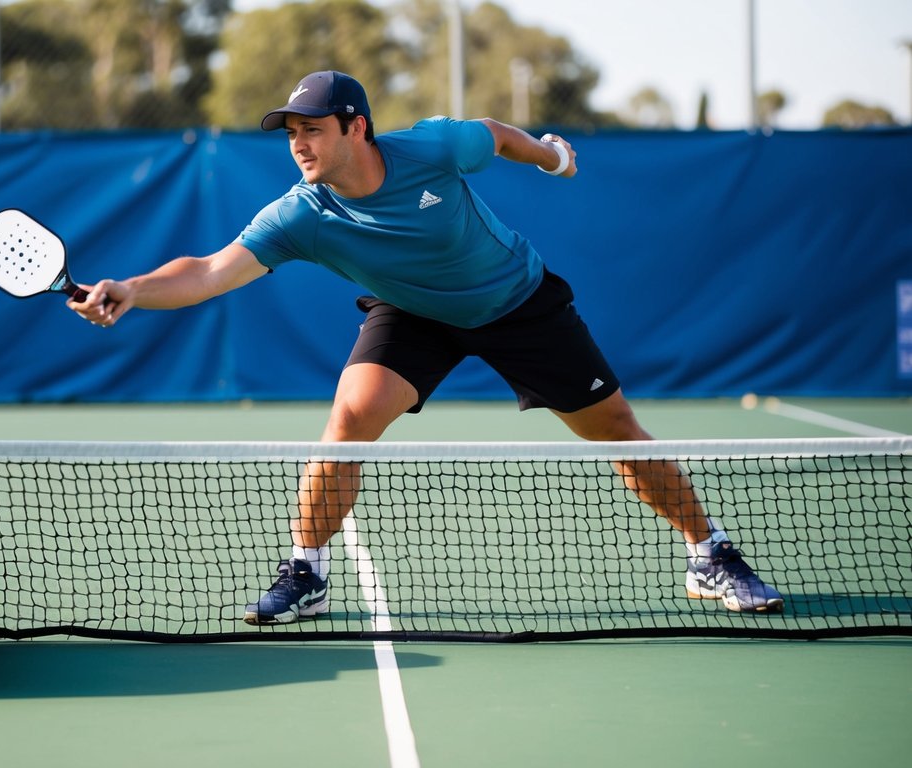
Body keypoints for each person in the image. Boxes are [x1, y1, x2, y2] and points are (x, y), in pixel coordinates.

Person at [69, 70, 783, 624]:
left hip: (516, 302)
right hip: (411, 313)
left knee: (616, 431)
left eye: (311, 128)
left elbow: (496, 135)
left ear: (356, 127)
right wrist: (130, 288)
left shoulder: (431, 148)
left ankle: (706, 551)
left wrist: (549, 156)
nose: (297, 143)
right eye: (289, 132)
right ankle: (306, 571)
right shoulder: (301, 213)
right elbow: (209, 270)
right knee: (349, 419)